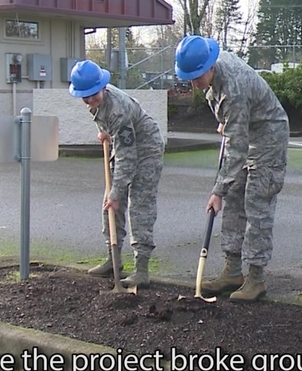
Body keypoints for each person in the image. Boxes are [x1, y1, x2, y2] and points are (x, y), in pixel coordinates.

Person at [174, 35, 289, 302]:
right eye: (189, 78)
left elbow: (237, 148)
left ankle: (256, 279)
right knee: (234, 198)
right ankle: (232, 271)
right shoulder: (213, 70)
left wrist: (217, 191)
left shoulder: (233, 89)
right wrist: (226, 121)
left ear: (210, 66)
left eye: (196, 77)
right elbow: (232, 128)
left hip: (268, 139)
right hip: (245, 130)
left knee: (257, 204)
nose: (193, 84)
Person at [68, 59, 164, 288]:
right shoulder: (95, 98)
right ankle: (114, 260)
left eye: (93, 96)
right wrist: (104, 132)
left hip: (147, 150)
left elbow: (127, 157)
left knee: (139, 207)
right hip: (124, 149)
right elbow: (103, 118)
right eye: (85, 98)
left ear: (102, 87)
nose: (90, 101)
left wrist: (117, 192)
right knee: (110, 205)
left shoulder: (119, 110)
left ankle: (142, 270)